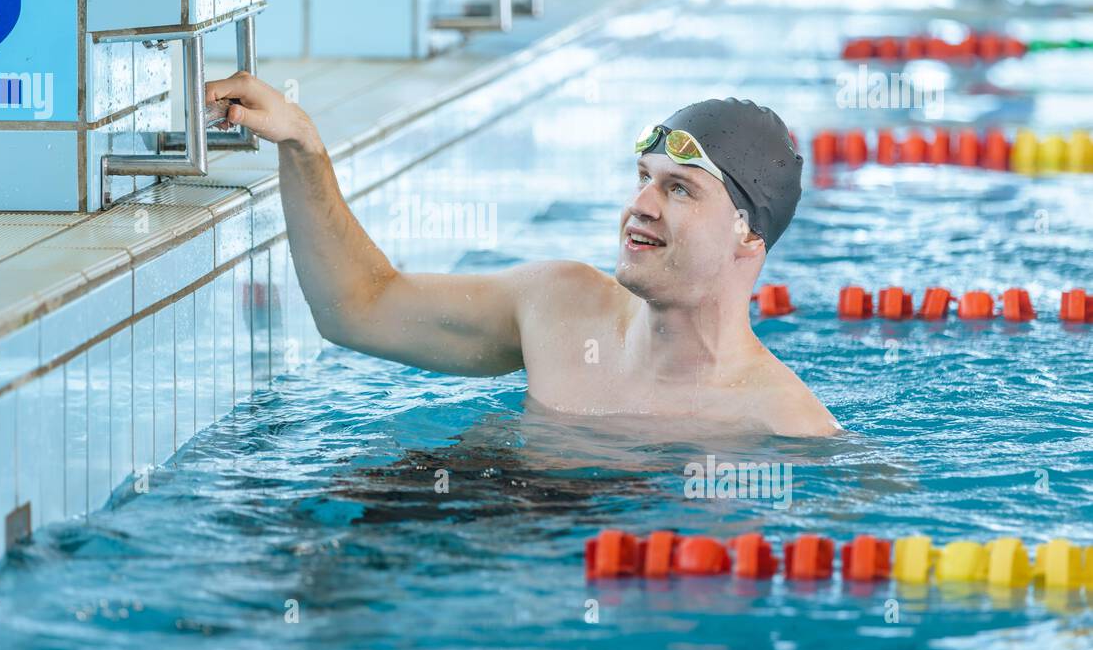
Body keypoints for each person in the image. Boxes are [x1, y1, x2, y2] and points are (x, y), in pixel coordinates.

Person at [205, 74, 840, 438]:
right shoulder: (559, 305)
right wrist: (302, 149)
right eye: (642, 177)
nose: (640, 205)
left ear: (748, 235)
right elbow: (357, 309)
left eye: (678, 189)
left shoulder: (782, 423)